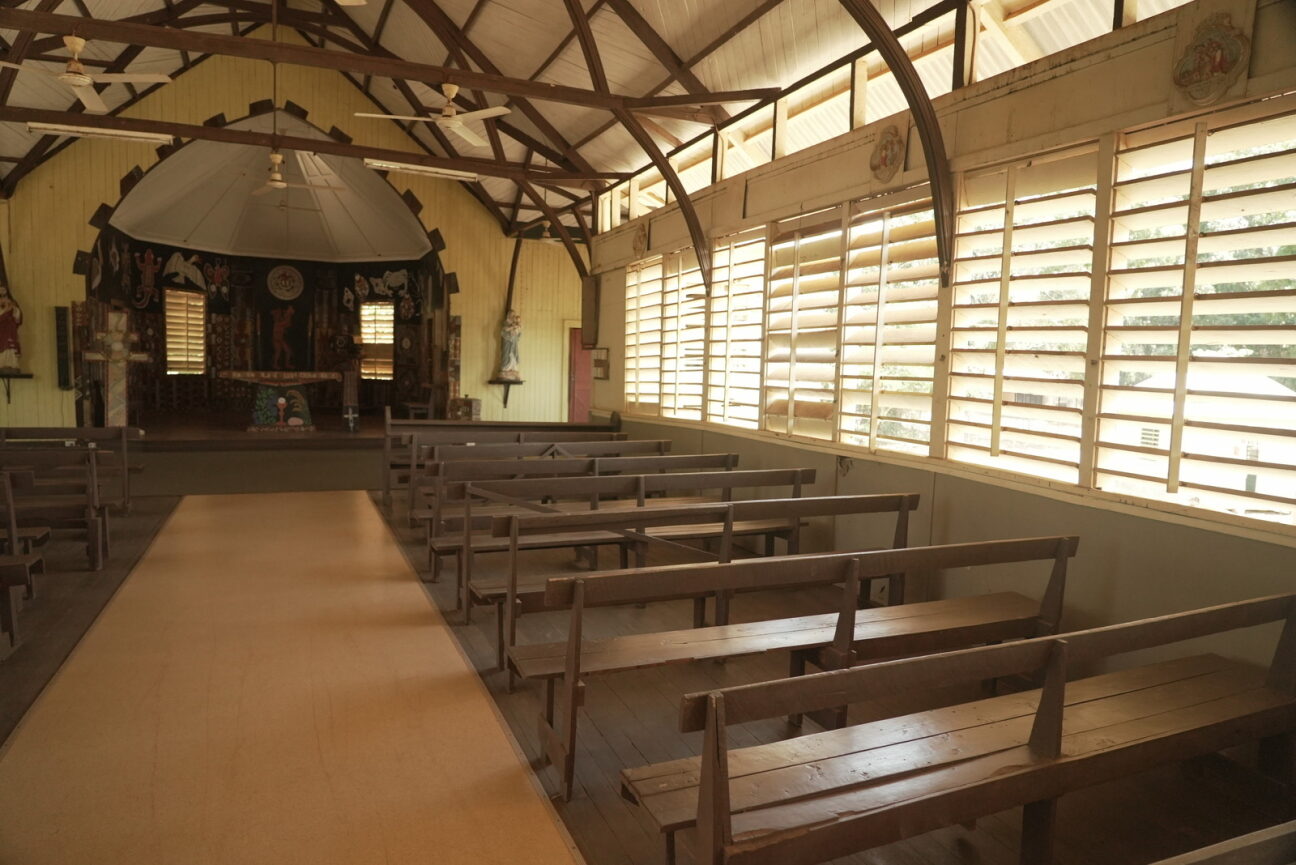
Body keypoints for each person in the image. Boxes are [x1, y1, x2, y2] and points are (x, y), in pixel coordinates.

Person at [0, 284, 23, 372]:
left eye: (4, 295)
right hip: (1, 332)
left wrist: (13, 308)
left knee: (10, 347)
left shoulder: (12, 305)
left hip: (10, 331)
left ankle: (12, 365)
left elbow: (18, 318)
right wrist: (6, 311)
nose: (2, 297)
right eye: (0, 295)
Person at [497, 309, 521, 381]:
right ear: (509, 315)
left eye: (514, 315)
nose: (513, 317)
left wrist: (516, 329)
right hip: (507, 341)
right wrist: (512, 327)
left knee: (514, 354)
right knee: (506, 353)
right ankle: (505, 368)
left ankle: (512, 368)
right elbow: (504, 330)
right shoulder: (506, 322)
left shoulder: (515, 323)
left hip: (513, 342)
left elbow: (518, 332)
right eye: (512, 315)